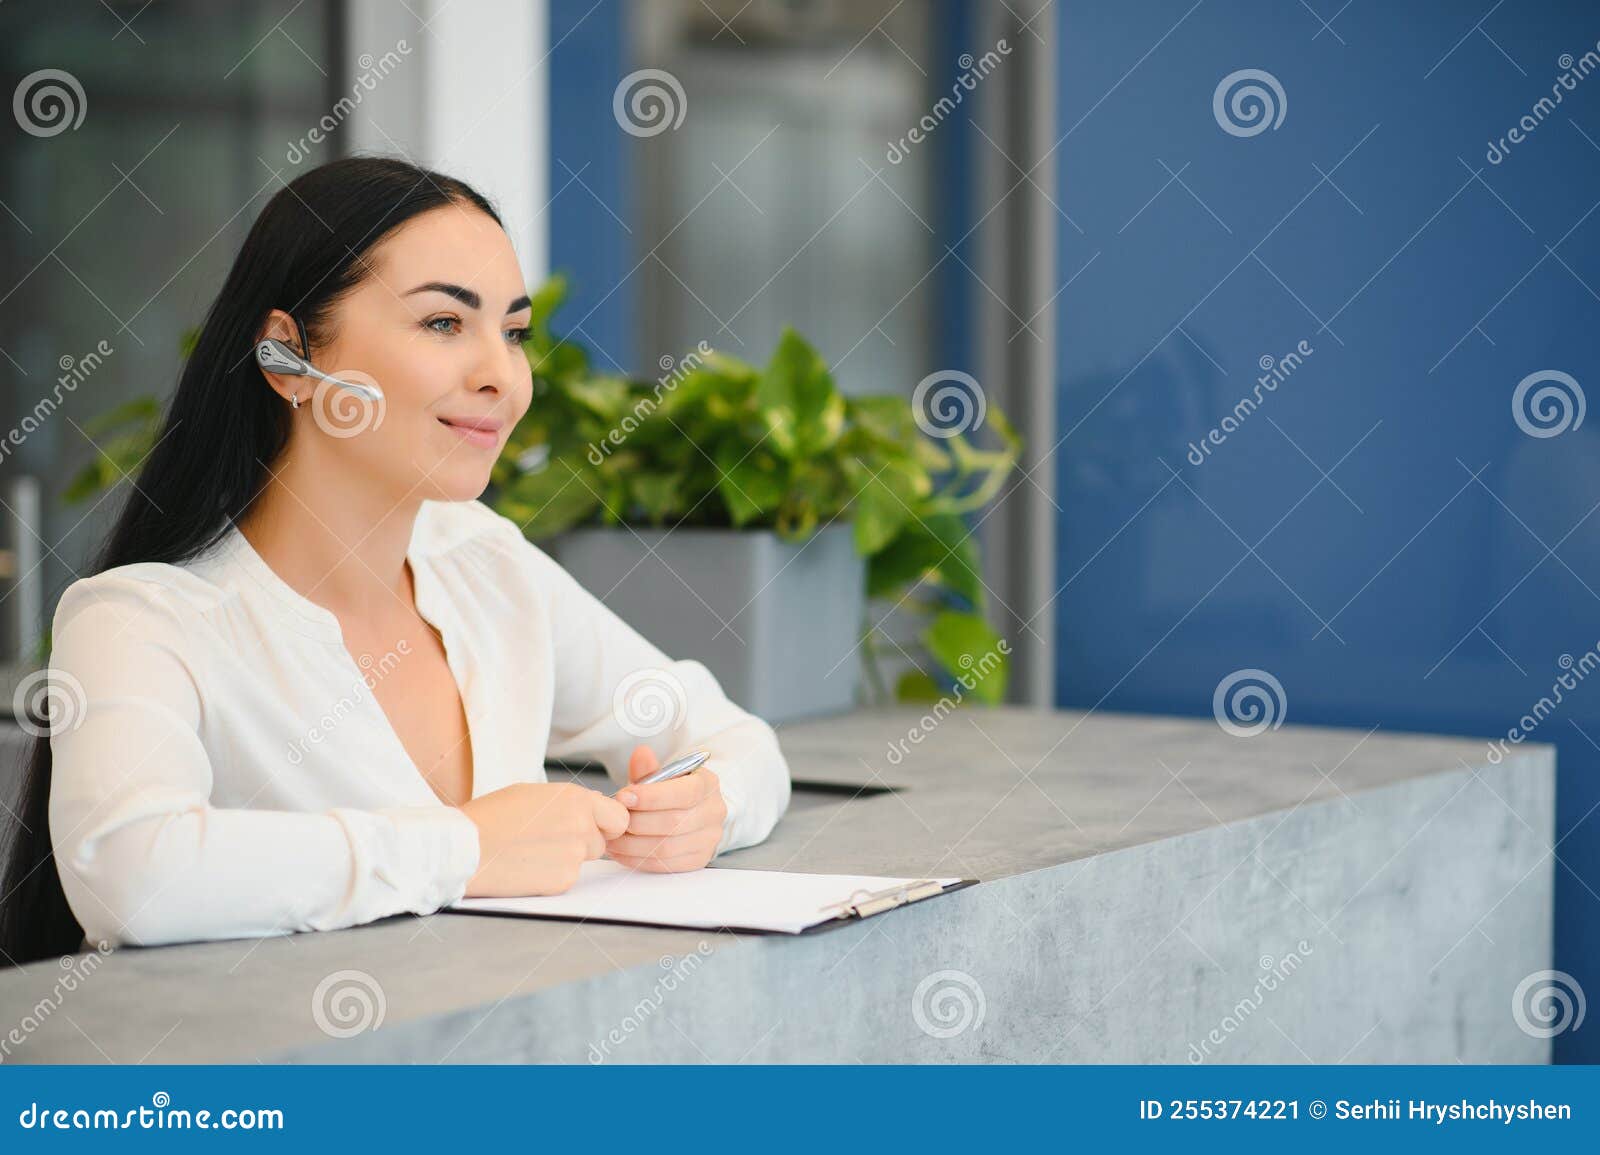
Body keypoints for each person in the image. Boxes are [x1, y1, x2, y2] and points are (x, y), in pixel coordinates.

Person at [0, 156, 791, 963]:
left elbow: (738, 739)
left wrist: (706, 807)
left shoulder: (486, 566)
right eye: (444, 323)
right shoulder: (141, 622)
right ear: (286, 357)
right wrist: (464, 849)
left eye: (513, 333)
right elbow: (134, 876)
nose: (501, 378)